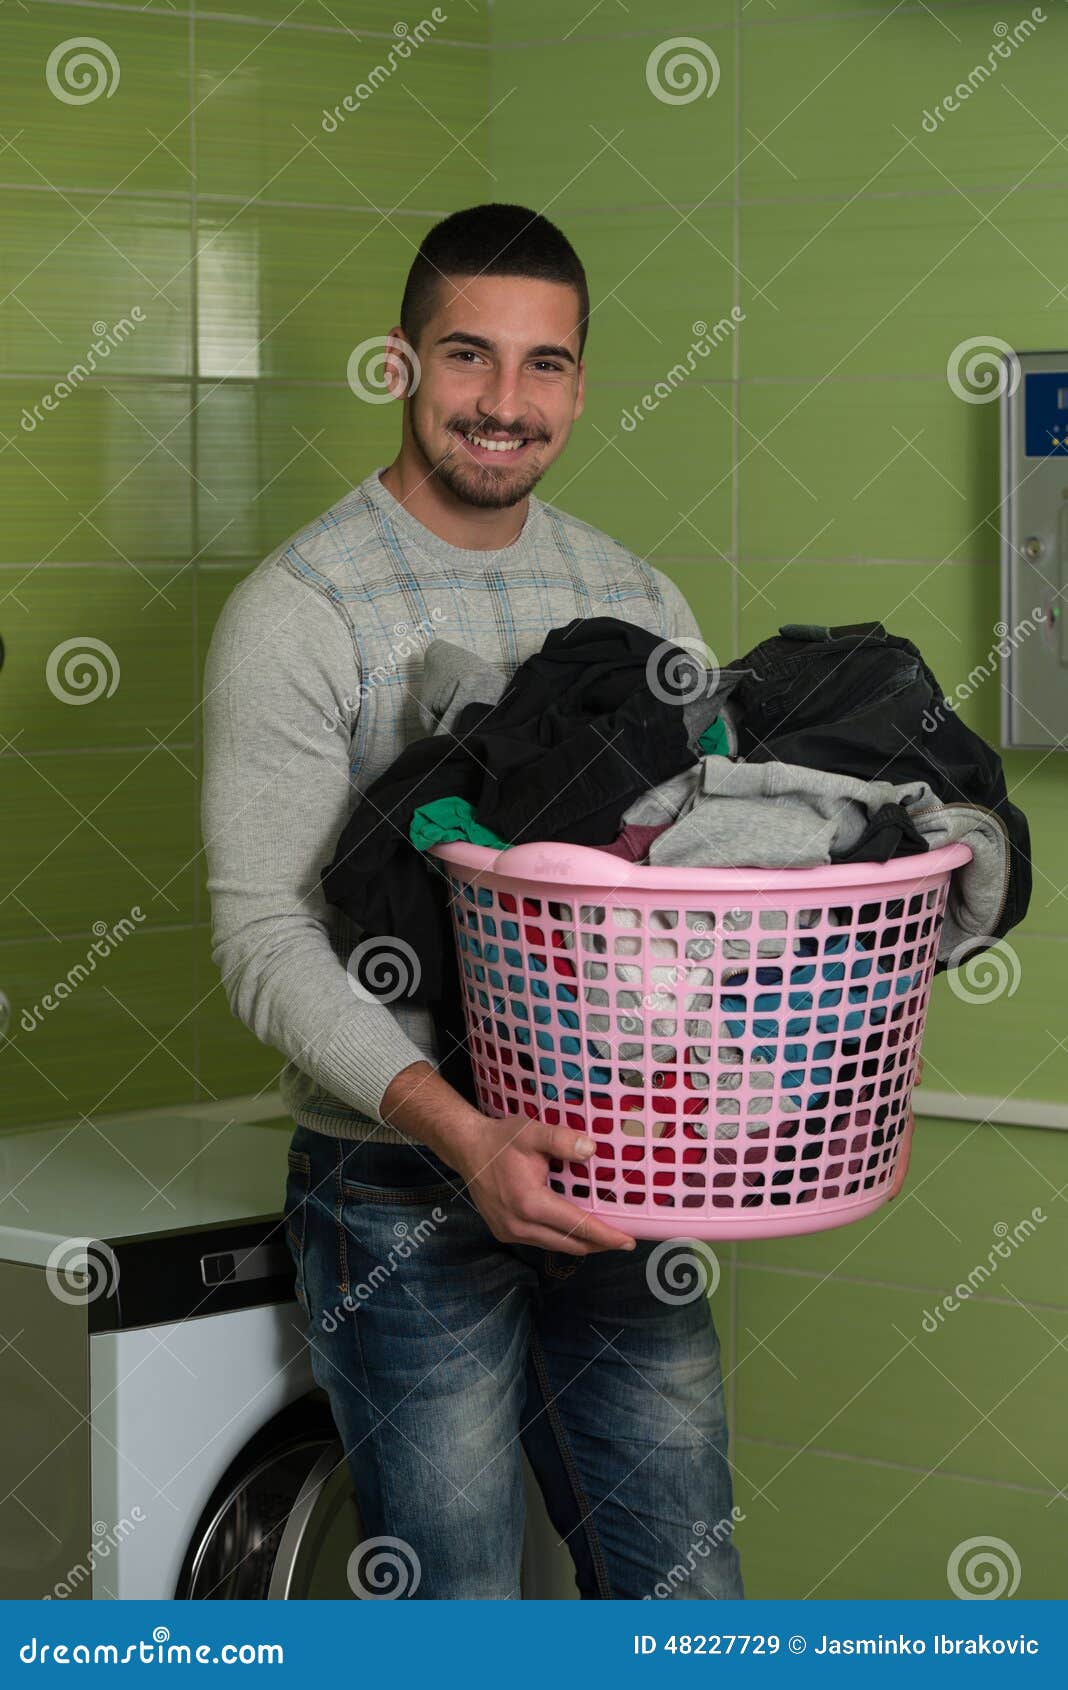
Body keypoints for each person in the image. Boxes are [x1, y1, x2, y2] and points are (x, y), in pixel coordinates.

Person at [201, 203, 744, 1601]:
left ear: (579, 378)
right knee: (457, 1613)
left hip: (619, 1176)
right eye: (467, 357)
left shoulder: (634, 597)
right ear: (400, 366)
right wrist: (464, 1134)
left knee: (686, 1593)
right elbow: (264, 937)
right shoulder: (304, 609)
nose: (504, 405)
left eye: (544, 364)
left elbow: (699, 891)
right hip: (399, 1191)